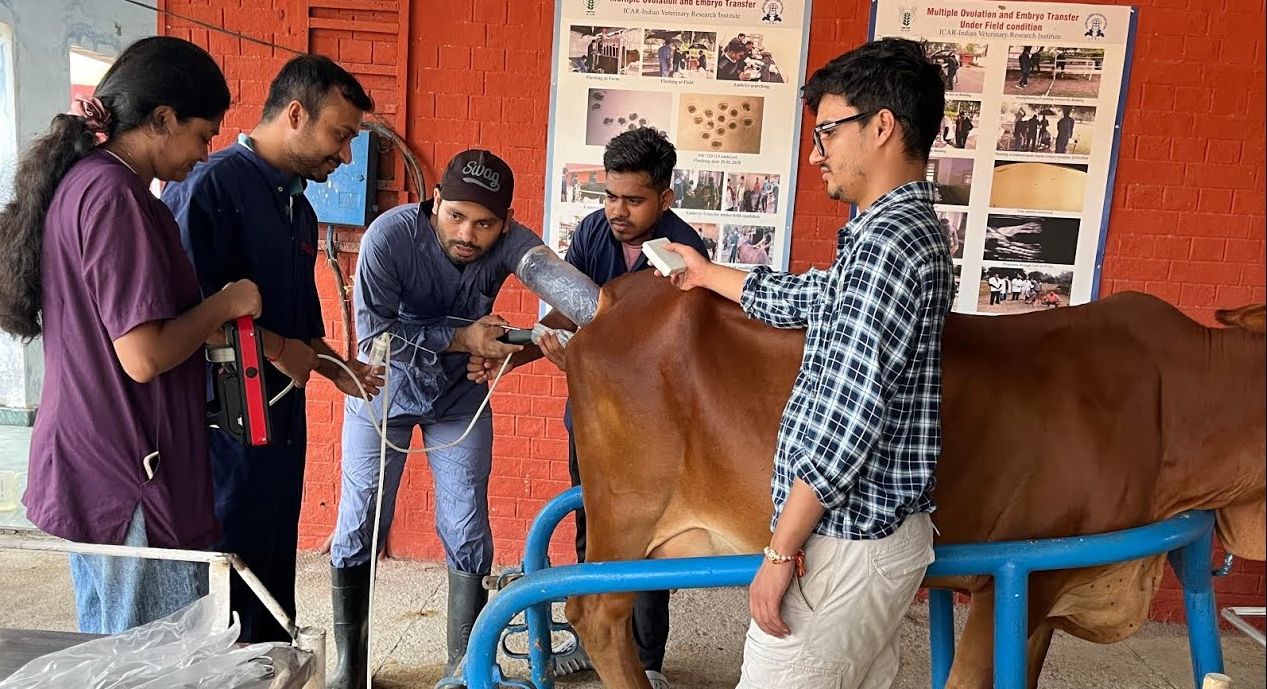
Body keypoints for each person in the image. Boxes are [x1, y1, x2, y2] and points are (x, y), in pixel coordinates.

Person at [658, 37, 955, 688]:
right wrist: (709, 276)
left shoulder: (888, 245)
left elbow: (847, 419)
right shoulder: (890, 235)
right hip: (869, 541)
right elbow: (814, 296)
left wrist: (778, 550)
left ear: (881, 127)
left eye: (827, 132)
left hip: (847, 544)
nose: (816, 153)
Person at [0, 36, 262, 635]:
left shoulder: (89, 184)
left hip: (102, 461)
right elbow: (143, 355)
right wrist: (225, 303)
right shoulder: (116, 197)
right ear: (162, 119)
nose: (204, 152)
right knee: (149, 658)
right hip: (128, 475)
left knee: (116, 644)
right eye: (201, 133)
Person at [470, 127, 710, 689]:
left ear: (665, 198)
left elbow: (678, 355)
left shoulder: (687, 253)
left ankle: (647, 659)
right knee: (592, 527)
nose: (617, 212)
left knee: (648, 544)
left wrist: (585, 361)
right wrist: (512, 357)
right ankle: (596, 642)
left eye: (633, 200)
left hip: (656, 426)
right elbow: (564, 314)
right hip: (596, 415)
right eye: (609, 196)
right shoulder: (592, 234)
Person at [161, 54, 383, 644]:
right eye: (340, 135)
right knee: (222, 585)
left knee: (269, 579)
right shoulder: (209, 186)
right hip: (219, 427)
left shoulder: (299, 208)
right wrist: (282, 346)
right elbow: (182, 319)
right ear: (295, 113)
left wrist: (343, 369)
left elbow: (304, 335)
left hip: (278, 425)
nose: (344, 156)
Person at [327, 149, 563, 688]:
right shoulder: (389, 237)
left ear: (503, 224)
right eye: (456, 215)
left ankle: (462, 665)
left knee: (465, 522)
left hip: (458, 398)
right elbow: (374, 339)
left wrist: (515, 346)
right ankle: (350, 665)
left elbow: (563, 290)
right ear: (433, 202)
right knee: (360, 519)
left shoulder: (511, 242)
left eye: (484, 224)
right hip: (382, 392)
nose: (468, 233)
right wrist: (463, 339)